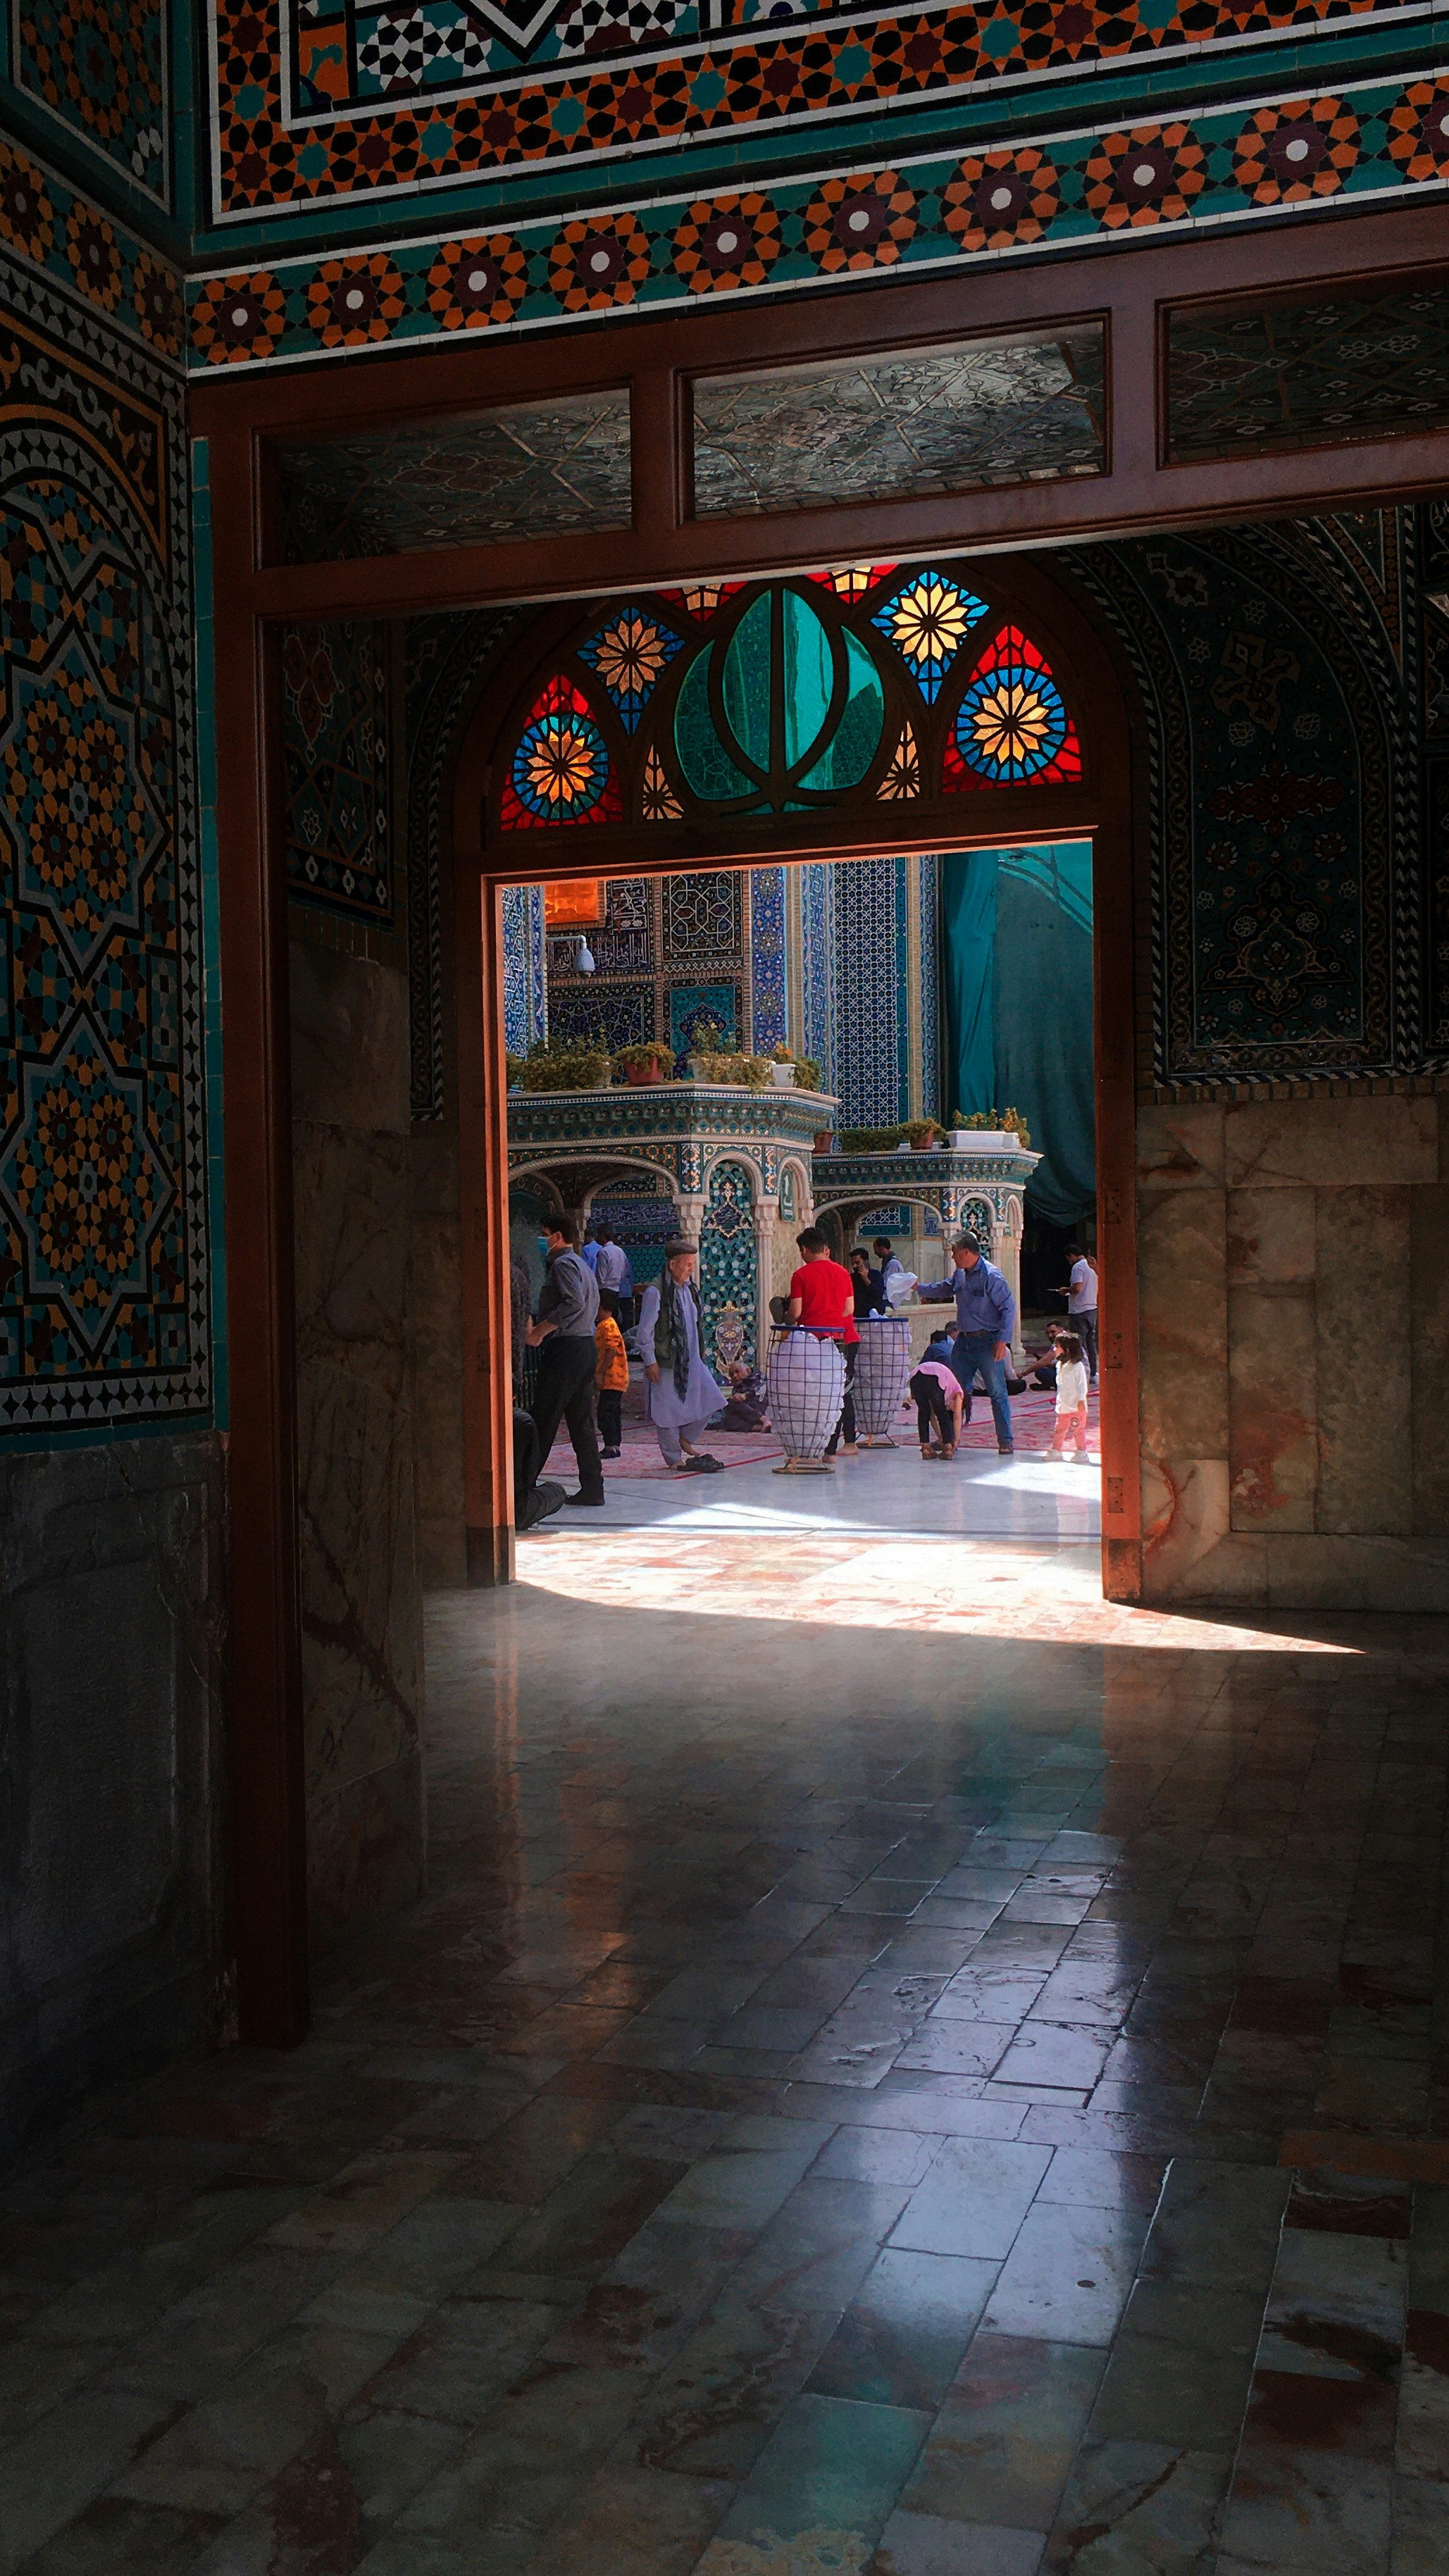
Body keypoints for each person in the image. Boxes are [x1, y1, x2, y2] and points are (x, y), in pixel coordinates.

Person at [526, 1214, 605, 1506]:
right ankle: (593, 1487)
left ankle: (522, 1485)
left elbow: (573, 1302)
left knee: (543, 1419)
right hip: (583, 1347)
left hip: (567, 1350)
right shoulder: (581, 1265)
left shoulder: (563, 1265)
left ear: (557, 1237)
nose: (541, 1239)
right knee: (580, 1422)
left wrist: (540, 1330)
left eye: (544, 1233)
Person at [918, 1231, 1017, 1455]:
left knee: (997, 1392)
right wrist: (919, 1287)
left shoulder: (992, 1276)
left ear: (965, 1252)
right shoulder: (961, 1273)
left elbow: (1008, 1309)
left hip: (988, 1341)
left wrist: (1003, 1341)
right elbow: (946, 1287)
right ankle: (949, 1439)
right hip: (964, 1342)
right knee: (954, 1391)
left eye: (954, 1253)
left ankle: (1005, 1441)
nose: (952, 1257)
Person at [637, 1238, 725, 1474]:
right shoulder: (656, 1292)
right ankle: (673, 1458)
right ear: (673, 1265)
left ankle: (686, 1437)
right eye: (687, 1264)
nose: (691, 1269)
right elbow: (645, 1332)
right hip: (666, 1361)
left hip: (691, 1360)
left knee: (712, 1399)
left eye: (692, 1264)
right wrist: (650, 1361)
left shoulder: (689, 1289)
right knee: (667, 1412)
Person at [789, 1226, 859, 1458]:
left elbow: (796, 1312)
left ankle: (811, 1445)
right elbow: (849, 1309)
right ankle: (831, 1449)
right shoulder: (843, 1273)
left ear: (804, 1250)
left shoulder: (801, 1275)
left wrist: (787, 1319)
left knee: (811, 1394)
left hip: (811, 1342)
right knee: (838, 1393)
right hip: (840, 1340)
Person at [911, 1337, 966, 1459]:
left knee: (924, 1412)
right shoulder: (958, 1391)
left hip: (916, 1376)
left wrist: (940, 1436)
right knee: (942, 1412)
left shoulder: (947, 1390)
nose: (952, 1409)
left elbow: (932, 1416)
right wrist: (955, 1441)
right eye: (954, 1407)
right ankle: (948, 1448)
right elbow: (957, 1417)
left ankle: (926, 1448)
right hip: (934, 1376)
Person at [595, 1288, 629, 1459]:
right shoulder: (611, 1324)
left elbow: (611, 1350)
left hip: (612, 1377)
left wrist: (600, 1372)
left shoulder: (606, 1325)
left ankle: (610, 1445)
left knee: (605, 1413)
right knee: (613, 1412)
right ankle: (614, 1444)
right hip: (617, 1378)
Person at [1050, 1329, 1091, 1459]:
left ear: (1066, 1349)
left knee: (1078, 1429)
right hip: (1063, 1406)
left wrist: (1081, 1401)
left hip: (1076, 1407)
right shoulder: (1060, 1366)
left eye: (1057, 1347)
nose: (1054, 1349)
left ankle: (1081, 1451)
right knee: (1059, 1429)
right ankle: (1056, 1450)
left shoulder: (1077, 1367)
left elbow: (1082, 1385)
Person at [1062, 1243, 1098, 1380]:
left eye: (1068, 1258)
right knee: (1091, 1343)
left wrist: (1065, 1290)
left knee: (1079, 1344)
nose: (1069, 1261)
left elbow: (1077, 1288)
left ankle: (1083, 1373)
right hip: (1092, 1308)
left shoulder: (1078, 1267)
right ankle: (1093, 1373)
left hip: (1079, 1310)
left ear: (1072, 1255)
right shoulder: (1092, 1266)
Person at [711, 1357, 770, 1433]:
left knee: (732, 1403)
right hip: (748, 1415)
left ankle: (764, 1419)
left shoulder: (759, 1377)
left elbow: (760, 1391)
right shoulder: (737, 1387)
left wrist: (745, 1396)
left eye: (737, 1372)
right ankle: (759, 1427)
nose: (735, 1376)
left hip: (762, 1407)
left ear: (747, 1371)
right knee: (728, 1421)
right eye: (732, 1374)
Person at [849, 1245, 885, 1317]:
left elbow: (878, 1294)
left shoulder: (876, 1275)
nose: (854, 1266)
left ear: (865, 1262)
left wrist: (866, 1279)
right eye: (853, 1264)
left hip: (874, 1317)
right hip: (858, 1317)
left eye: (857, 1263)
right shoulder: (852, 1278)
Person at [873, 1238, 909, 1304]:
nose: (875, 1252)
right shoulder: (887, 1262)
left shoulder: (893, 1264)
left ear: (882, 1248)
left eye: (876, 1249)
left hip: (890, 1300)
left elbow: (888, 1284)